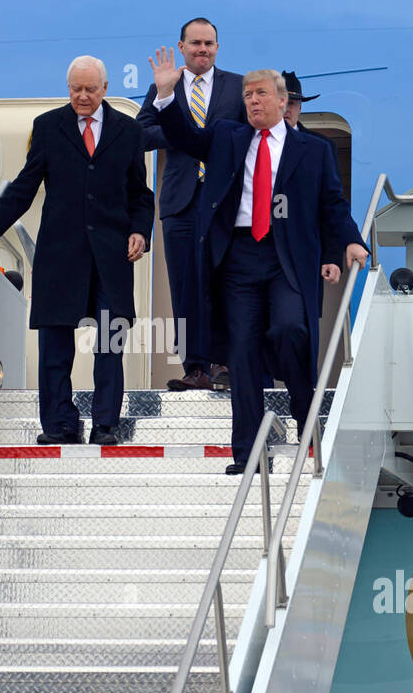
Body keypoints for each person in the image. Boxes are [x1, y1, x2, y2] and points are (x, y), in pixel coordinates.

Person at [148, 47, 369, 473]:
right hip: (237, 258)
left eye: (261, 93)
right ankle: (248, 455)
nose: (252, 100)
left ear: (282, 101)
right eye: (247, 94)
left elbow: (332, 205)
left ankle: (306, 421)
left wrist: (351, 242)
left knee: (290, 330)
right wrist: (165, 97)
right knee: (243, 354)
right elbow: (184, 139)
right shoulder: (228, 137)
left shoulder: (315, 149)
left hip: (286, 258)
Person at [0, 55, 154, 446]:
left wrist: (140, 231)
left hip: (110, 257)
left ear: (105, 88)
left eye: (90, 89)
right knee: (54, 347)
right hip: (60, 255)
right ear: (69, 88)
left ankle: (105, 424)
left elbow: (140, 195)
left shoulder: (128, 132)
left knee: (109, 345)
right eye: (75, 89)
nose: (82, 96)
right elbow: (25, 185)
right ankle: (60, 425)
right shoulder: (48, 127)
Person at [137, 18, 245, 391]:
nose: (203, 49)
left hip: (225, 203)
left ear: (217, 47)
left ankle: (224, 362)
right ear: (181, 46)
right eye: (196, 43)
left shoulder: (239, 86)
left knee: (224, 282)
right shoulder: (164, 86)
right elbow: (141, 134)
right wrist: (183, 135)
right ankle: (195, 367)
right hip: (181, 203)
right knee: (185, 288)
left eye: (210, 43)